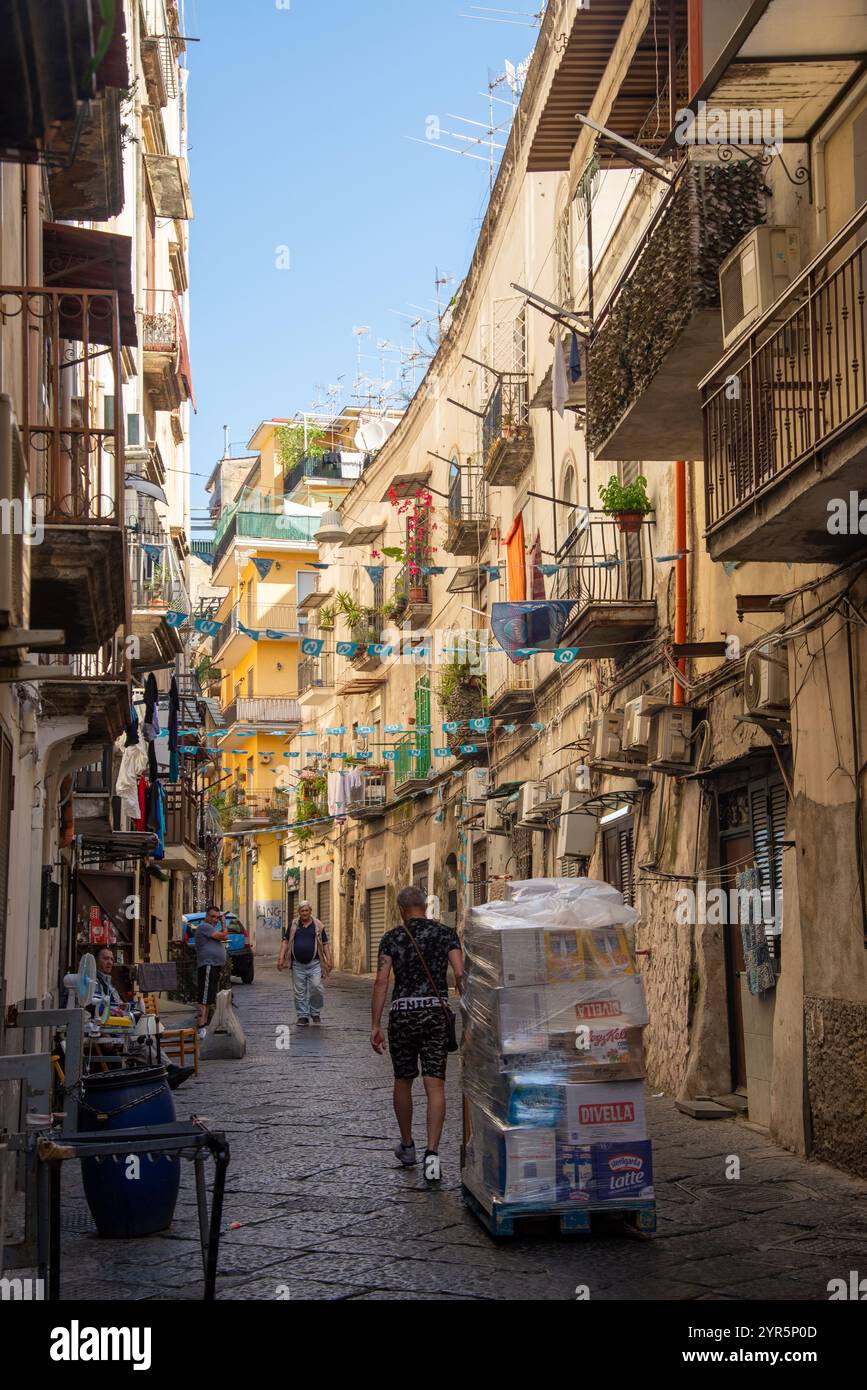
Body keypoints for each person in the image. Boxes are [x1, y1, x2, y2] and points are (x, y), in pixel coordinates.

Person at [371, 885, 463, 1184]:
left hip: (402, 1015)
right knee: (435, 1084)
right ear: (426, 906)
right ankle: (433, 1155)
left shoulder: (392, 938)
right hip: (435, 1014)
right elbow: (461, 975)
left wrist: (375, 1024)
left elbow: (381, 981)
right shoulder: (446, 933)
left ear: (401, 909)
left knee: (403, 1080)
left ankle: (408, 1145)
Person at [278, 900, 332, 1026]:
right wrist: (281, 958)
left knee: (317, 987)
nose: (304, 913)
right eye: (302, 911)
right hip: (297, 965)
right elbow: (285, 941)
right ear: (299, 912)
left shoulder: (318, 925)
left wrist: (329, 959)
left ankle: (315, 1012)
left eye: (307, 910)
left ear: (310, 911)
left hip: (315, 964)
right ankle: (302, 1016)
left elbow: (325, 943)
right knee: (299, 992)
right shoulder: (293, 925)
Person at [196, 906, 229, 1040]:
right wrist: (224, 922)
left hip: (214, 965)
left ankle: (205, 1024)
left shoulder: (209, 929)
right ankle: (201, 1027)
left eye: (217, 916)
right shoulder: (204, 927)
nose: (215, 919)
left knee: (209, 998)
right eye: (213, 916)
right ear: (207, 916)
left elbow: (220, 937)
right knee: (204, 998)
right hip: (207, 965)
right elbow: (223, 935)